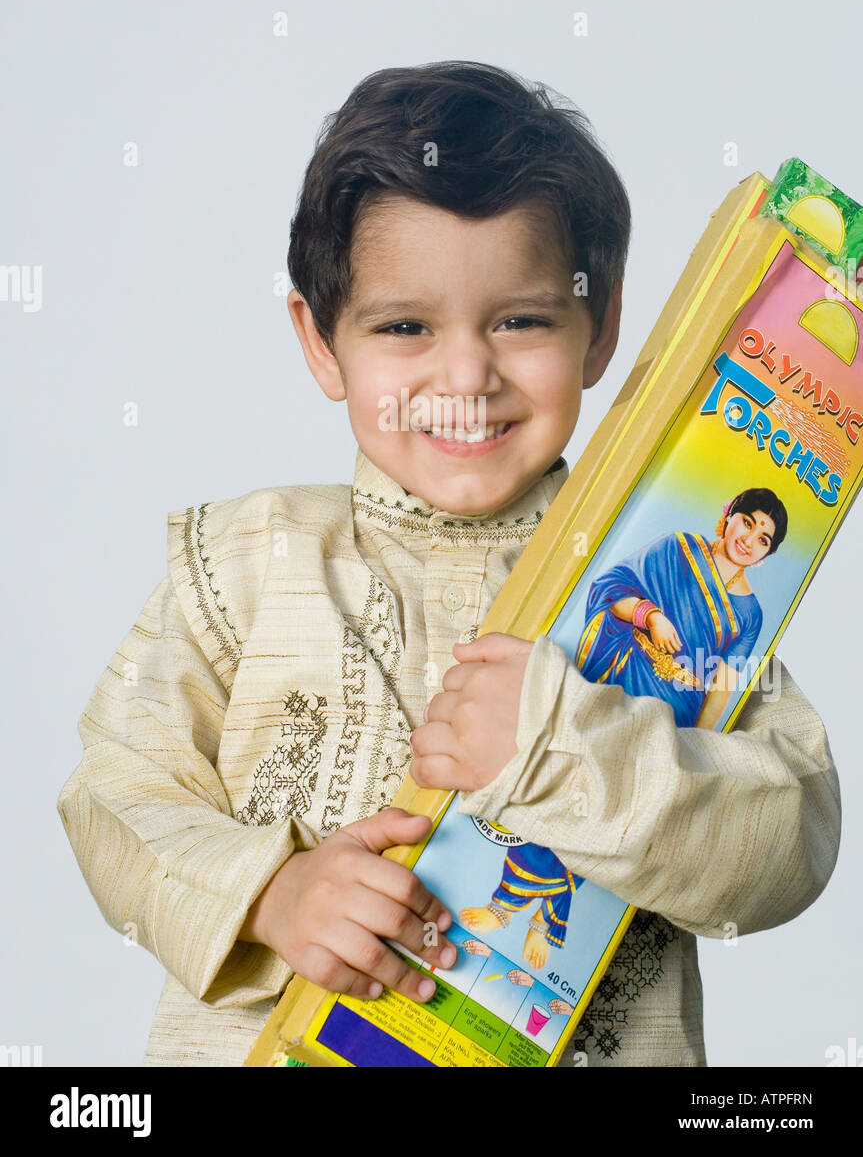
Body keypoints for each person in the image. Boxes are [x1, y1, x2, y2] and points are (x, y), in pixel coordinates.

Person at [57, 60, 840, 1067]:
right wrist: (265, 892)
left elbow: (786, 840)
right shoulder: (248, 564)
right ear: (321, 341)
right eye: (404, 326)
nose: (466, 372)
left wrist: (559, 742)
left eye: (519, 319)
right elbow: (115, 794)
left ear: (598, 329)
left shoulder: (661, 567)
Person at [575, 489, 788, 730]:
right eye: (747, 523)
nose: (748, 541)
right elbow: (609, 588)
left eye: (763, 540)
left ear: (767, 553)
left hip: (676, 712)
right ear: (730, 515)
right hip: (624, 673)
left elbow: (722, 687)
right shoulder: (677, 547)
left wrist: (693, 745)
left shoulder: (751, 614)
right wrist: (651, 616)